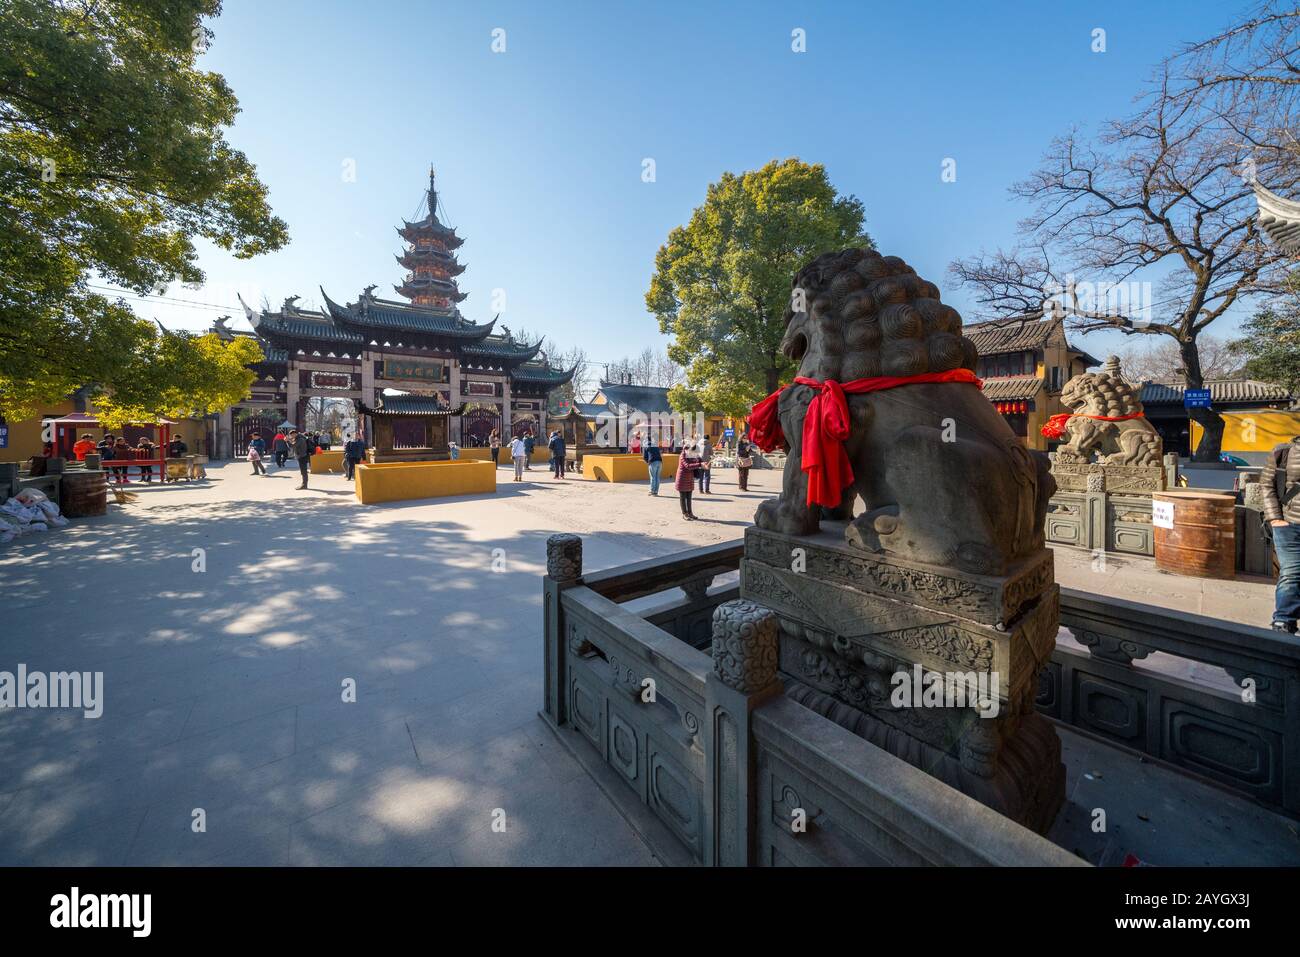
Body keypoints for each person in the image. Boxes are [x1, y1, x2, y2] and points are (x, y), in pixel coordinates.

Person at [1263, 435, 1300, 633]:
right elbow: (1267, 484)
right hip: (1289, 523)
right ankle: (1284, 619)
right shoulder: (1284, 451)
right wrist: (1275, 518)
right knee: (1292, 571)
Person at [675, 446, 702, 520]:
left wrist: (700, 461)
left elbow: (696, 462)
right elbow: (688, 466)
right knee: (683, 498)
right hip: (682, 479)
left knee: (689, 498)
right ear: (687, 449)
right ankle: (685, 514)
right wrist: (699, 464)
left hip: (689, 479)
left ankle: (690, 513)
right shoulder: (682, 455)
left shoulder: (691, 455)